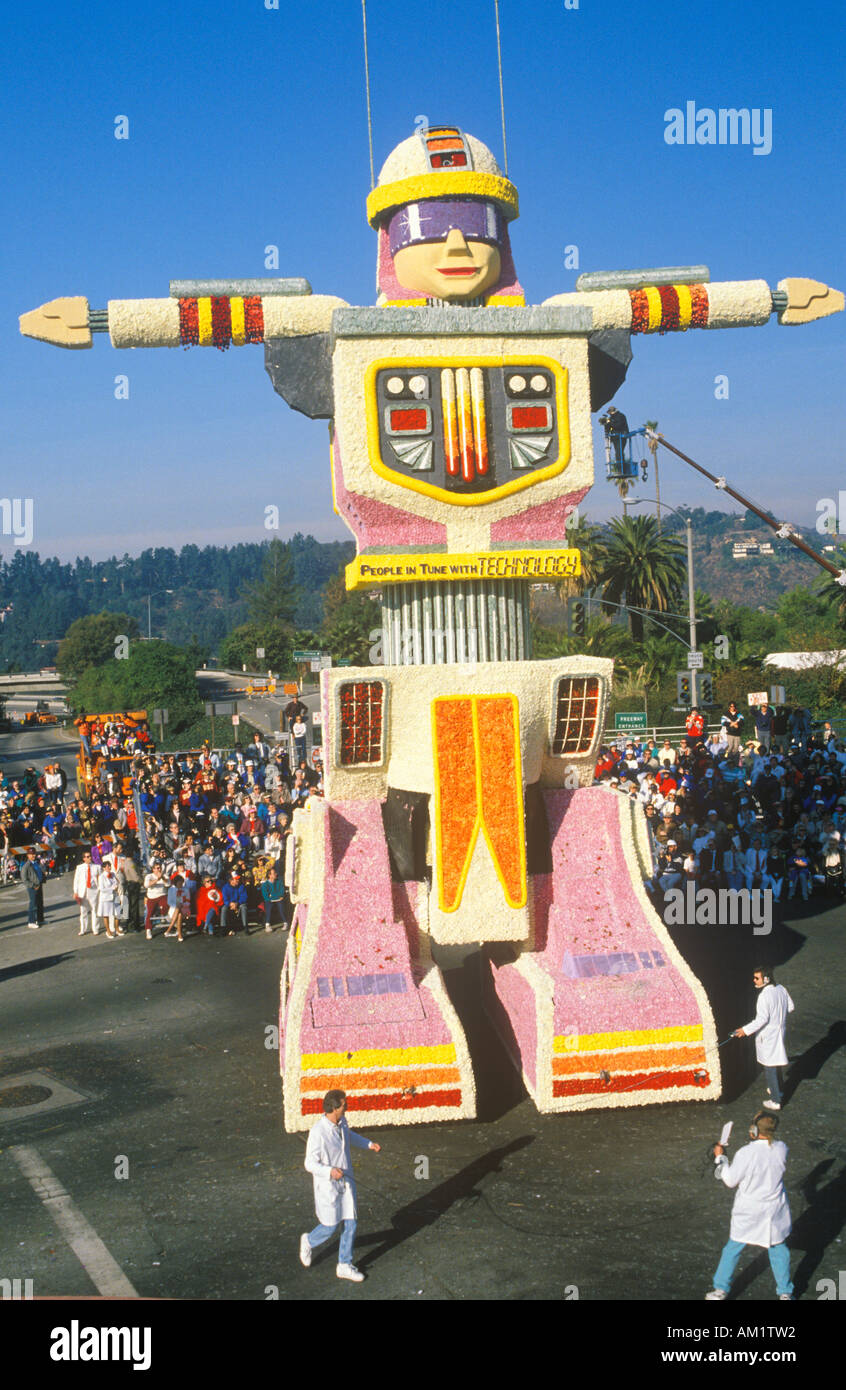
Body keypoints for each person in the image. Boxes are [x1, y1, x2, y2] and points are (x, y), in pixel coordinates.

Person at [705, 1111, 793, 1301]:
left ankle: (720, 1290)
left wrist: (720, 1158)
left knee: (733, 1248)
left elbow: (729, 1180)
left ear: (754, 1130)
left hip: (749, 1211)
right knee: (779, 1249)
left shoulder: (746, 1153)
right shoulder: (782, 1148)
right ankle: (785, 1293)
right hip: (774, 1211)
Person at [300, 1090, 381, 1283]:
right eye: (344, 1105)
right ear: (334, 1108)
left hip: (347, 1180)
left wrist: (369, 1144)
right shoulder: (318, 1132)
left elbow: (349, 1136)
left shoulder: (342, 1122)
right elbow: (309, 1164)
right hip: (329, 1185)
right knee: (330, 1226)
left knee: (350, 1222)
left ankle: (344, 1264)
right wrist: (329, 1171)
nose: (347, 1107)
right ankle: (308, 1241)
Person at [733, 967, 794, 1110]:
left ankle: (776, 1100)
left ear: (766, 979)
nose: (754, 980)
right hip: (780, 1032)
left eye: (757, 978)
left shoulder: (764, 996)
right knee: (776, 1061)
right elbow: (791, 1007)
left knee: (770, 1067)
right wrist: (778, 1016)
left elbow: (761, 1019)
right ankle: (778, 1088)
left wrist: (744, 1030)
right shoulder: (781, 989)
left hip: (768, 1036)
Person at [73, 850, 101, 935]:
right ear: (84, 858)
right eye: (87, 857)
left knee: (94, 910)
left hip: (93, 890)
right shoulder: (79, 867)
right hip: (83, 891)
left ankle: (95, 929)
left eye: (90, 856)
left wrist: (99, 889)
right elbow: (76, 880)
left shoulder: (97, 867)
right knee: (83, 911)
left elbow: (100, 879)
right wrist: (75, 892)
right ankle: (83, 929)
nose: (89, 858)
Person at [21, 848, 45, 929]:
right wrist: (33, 885)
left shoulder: (36, 862)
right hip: (33, 887)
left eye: (34, 853)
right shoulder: (26, 866)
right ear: (28, 855)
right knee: (33, 904)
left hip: (39, 884)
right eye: (31, 854)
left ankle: (40, 919)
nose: (33, 855)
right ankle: (31, 921)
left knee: (40, 903)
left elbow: (40, 871)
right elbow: (24, 879)